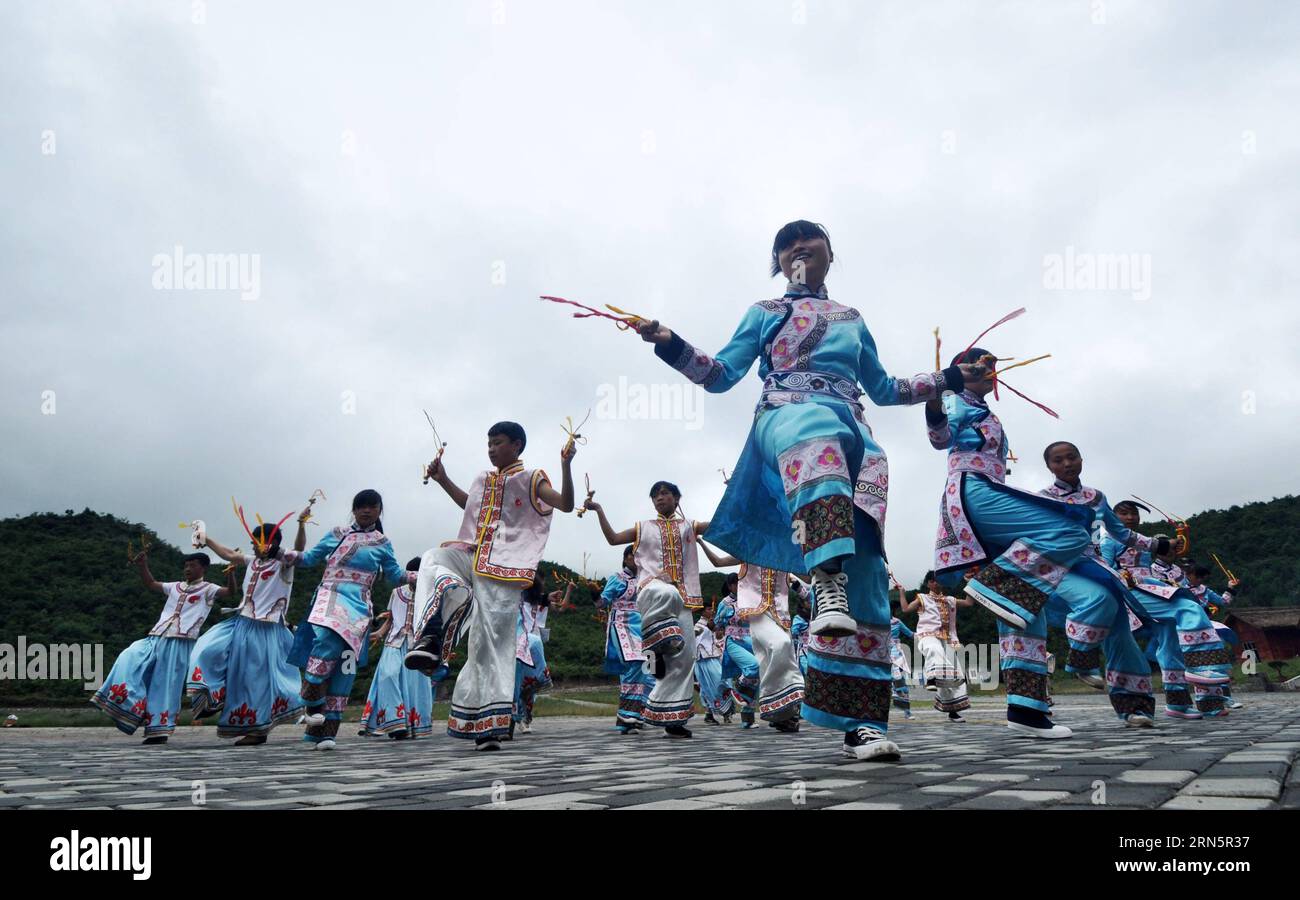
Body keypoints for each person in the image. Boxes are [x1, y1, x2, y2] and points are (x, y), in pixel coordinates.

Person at [636, 220, 979, 760]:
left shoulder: (852, 319)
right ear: (778, 260)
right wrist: (670, 343)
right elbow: (721, 374)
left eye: (809, 240)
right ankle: (823, 577)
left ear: (828, 255)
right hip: (787, 417)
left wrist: (950, 379)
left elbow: (887, 390)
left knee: (866, 563)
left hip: (855, 432)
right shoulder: (764, 313)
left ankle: (862, 724)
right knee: (816, 440)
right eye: (786, 243)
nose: (798, 247)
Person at [406, 422, 576, 750]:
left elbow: (566, 504)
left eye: (497, 443)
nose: (491, 449)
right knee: (433, 560)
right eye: (488, 444)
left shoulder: (531, 478)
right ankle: (432, 634)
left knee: (489, 644)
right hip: (472, 555)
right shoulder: (483, 478)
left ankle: (490, 724)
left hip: (504, 570)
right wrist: (442, 480)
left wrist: (566, 466)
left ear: (517, 445)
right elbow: (470, 507)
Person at [282, 489, 415, 750]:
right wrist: (278, 552)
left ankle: (327, 733)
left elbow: (394, 575)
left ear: (379, 510)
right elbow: (308, 559)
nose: (366, 510)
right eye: (361, 506)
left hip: (359, 605)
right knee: (328, 639)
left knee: (344, 665)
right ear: (354, 510)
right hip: (330, 596)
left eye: (372, 506)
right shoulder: (337, 533)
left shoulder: (382, 542)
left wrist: (420, 577)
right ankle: (311, 696)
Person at [583, 481, 704, 738]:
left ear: (677, 498)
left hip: (680, 602)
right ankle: (628, 717)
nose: (660, 498)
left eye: (665, 493)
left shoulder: (688, 527)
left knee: (683, 659)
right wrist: (599, 510)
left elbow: (719, 526)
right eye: (656, 495)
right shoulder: (642, 531)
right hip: (646, 607)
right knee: (638, 664)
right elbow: (613, 538)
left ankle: (670, 716)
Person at [188, 512, 309, 745]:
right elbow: (228, 554)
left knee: (256, 679)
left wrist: (301, 525)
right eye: (253, 542)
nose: (254, 546)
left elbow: (299, 549)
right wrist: (207, 538)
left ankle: (258, 729)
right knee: (207, 649)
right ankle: (214, 698)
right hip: (242, 623)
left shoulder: (284, 564)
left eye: (259, 542)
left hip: (265, 629)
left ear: (272, 544)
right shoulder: (251, 562)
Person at [1104, 501, 1233, 719]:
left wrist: (1179, 539)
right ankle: (1202, 667)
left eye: (1134, 514)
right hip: (1130, 590)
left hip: (1148, 586)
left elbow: (1166, 550)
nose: (1130, 518)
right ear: (1113, 518)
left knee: (1170, 639)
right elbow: (1105, 567)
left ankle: (1179, 703)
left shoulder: (1142, 541)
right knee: (1188, 608)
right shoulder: (1110, 540)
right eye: (1124, 514)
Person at [92, 548, 234, 743]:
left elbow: (230, 592)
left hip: (180, 642)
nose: (188, 569)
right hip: (156, 636)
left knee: (165, 685)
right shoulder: (175, 587)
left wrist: (231, 574)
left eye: (192, 565)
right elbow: (151, 583)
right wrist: (143, 565)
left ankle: (159, 730)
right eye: (186, 565)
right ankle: (129, 706)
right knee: (129, 656)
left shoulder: (208, 589)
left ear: (203, 568)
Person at [697, 540, 804, 729]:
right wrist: (700, 541)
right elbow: (718, 562)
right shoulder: (728, 600)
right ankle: (739, 688)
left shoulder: (786, 553)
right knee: (760, 663)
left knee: (770, 668)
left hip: (777, 619)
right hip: (738, 637)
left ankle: (779, 715)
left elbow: (807, 577)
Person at [360, 556, 435, 740]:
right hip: (394, 642)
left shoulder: (431, 596)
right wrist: (378, 633)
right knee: (388, 675)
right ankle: (395, 721)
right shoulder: (397, 593)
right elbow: (392, 618)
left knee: (413, 686)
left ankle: (405, 725)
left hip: (416, 646)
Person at [898, 572, 972, 722]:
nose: (936, 583)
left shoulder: (949, 600)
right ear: (928, 583)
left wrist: (970, 583)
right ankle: (931, 678)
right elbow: (905, 609)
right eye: (933, 581)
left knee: (955, 674)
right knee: (934, 650)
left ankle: (953, 711)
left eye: (939, 581)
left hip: (946, 639)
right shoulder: (922, 598)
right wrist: (901, 593)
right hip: (927, 636)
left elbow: (969, 603)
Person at [597, 546, 655, 732]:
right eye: (633, 555)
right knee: (637, 663)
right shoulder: (617, 578)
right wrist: (593, 594)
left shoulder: (645, 580)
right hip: (622, 626)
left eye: (640, 555)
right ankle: (626, 714)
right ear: (626, 558)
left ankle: (636, 714)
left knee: (649, 670)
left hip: (643, 628)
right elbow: (601, 603)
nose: (637, 559)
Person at [694, 602, 733, 725]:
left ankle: (726, 712)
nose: (712, 611)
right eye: (709, 609)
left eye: (712, 609)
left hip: (713, 657)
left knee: (724, 682)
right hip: (703, 659)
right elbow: (695, 640)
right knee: (707, 687)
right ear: (703, 611)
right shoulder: (699, 626)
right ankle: (709, 715)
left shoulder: (710, 624)